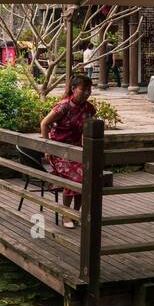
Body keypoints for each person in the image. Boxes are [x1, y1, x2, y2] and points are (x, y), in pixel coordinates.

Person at [39, 73, 95, 227]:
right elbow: (44, 123)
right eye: (83, 89)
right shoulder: (63, 106)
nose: (86, 93)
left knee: (89, 175)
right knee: (77, 176)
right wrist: (47, 147)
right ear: (73, 89)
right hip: (59, 151)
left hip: (77, 150)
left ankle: (76, 213)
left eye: (89, 89)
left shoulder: (89, 108)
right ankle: (66, 213)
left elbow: (88, 131)